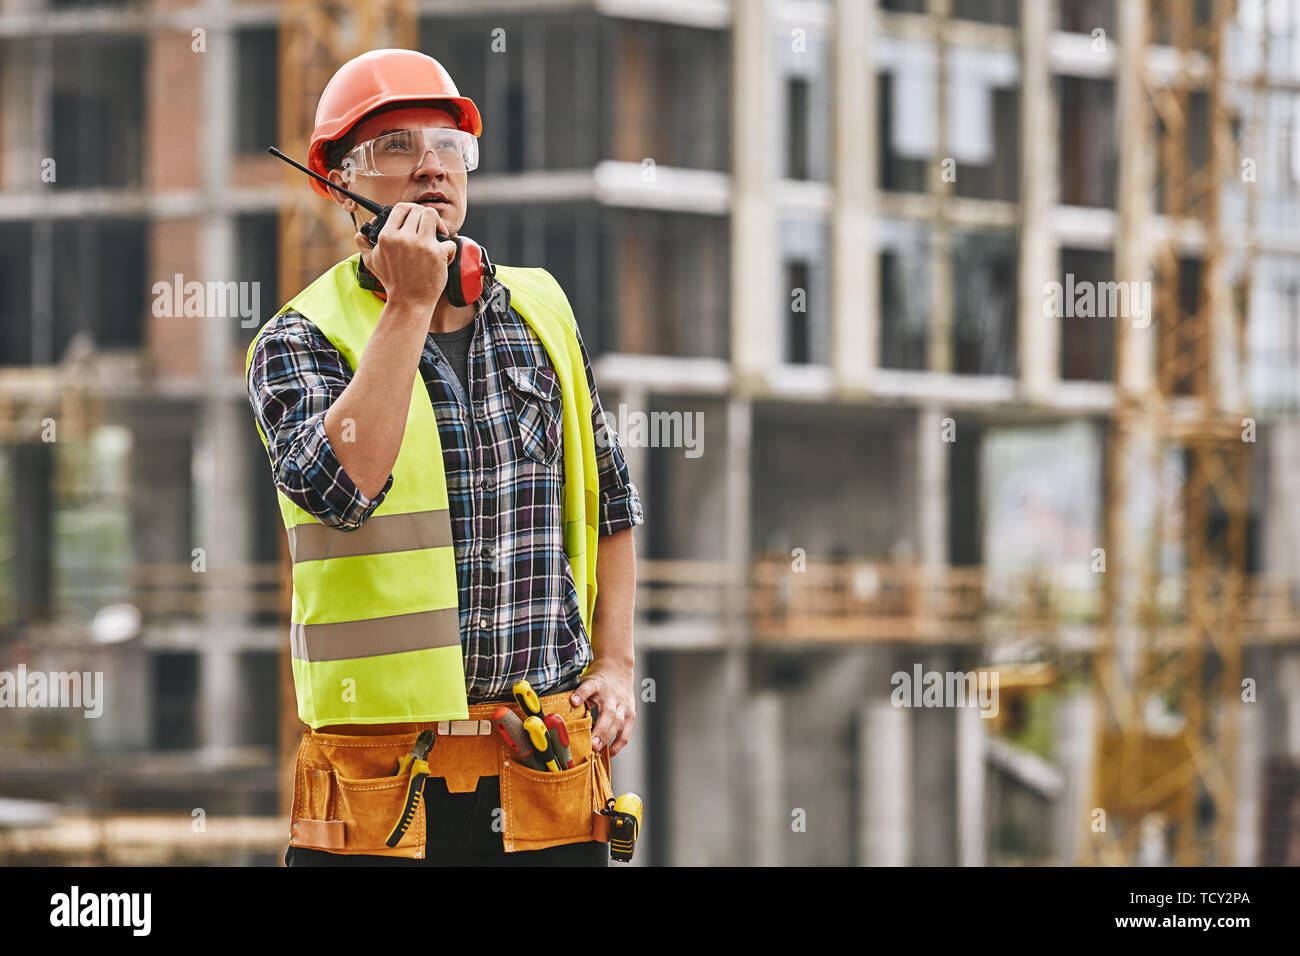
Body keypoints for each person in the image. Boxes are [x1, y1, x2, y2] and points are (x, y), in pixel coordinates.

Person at [245, 49, 642, 866]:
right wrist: (411, 304)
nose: (430, 166)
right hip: (381, 800)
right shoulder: (299, 338)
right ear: (338, 183)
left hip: (544, 780)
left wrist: (617, 660)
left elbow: (609, 501)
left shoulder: (541, 309)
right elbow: (339, 488)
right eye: (395, 146)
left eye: (447, 145)